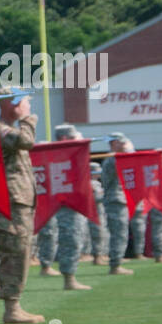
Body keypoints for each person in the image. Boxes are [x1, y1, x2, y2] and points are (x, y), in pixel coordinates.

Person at [0, 93, 45, 323]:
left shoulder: (8, 128)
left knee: (21, 250)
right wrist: (28, 118)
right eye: (24, 101)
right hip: (11, 199)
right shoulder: (0, 129)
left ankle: (14, 305)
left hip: (21, 198)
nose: (27, 106)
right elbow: (26, 141)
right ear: (11, 103)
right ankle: (11, 308)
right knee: (15, 250)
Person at [52, 123, 91, 291]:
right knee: (71, 240)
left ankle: (71, 277)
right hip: (66, 204)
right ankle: (69, 279)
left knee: (77, 239)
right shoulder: (58, 155)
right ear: (64, 139)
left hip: (74, 203)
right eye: (74, 138)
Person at [101, 133, 135, 275]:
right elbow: (130, 159)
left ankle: (116, 262)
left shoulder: (112, 158)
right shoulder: (114, 159)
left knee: (119, 232)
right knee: (119, 233)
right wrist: (128, 149)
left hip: (117, 199)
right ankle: (115, 265)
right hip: (116, 199)